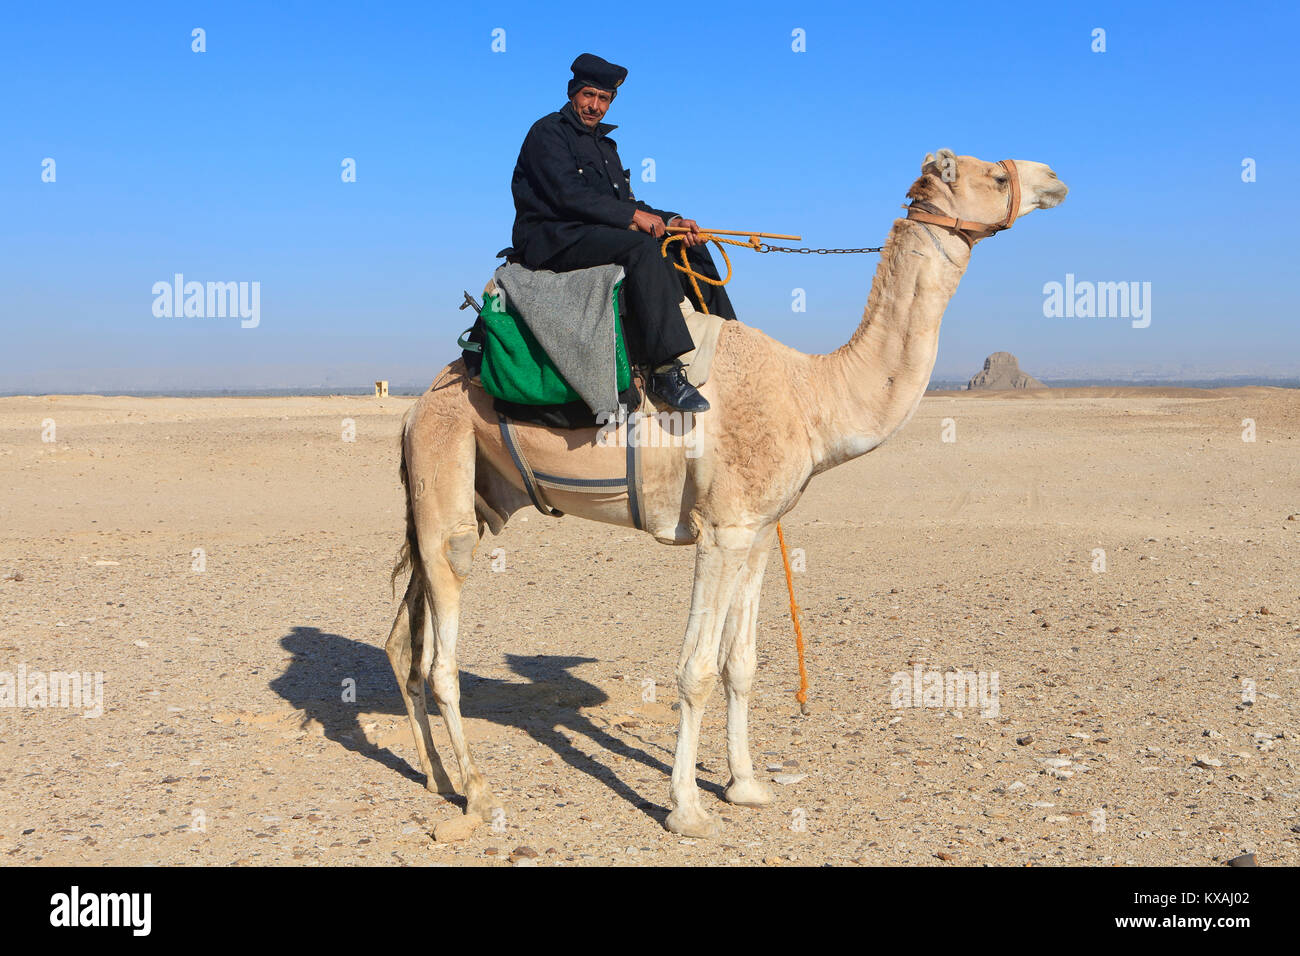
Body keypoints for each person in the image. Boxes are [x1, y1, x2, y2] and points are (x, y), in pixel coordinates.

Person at [505, 53, 736, 413]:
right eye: (589, 96)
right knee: (641, 248)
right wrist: (631, 217)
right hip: (554, 238)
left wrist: (672, 221)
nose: (595, 106)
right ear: (573, 93)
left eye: (604, 99)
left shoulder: (605, 146)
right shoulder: (547, 133)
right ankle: (664, 369)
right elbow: (569, 196)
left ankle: (731, 342)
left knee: (688, 248)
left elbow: (625, 201)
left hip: (594, 233)